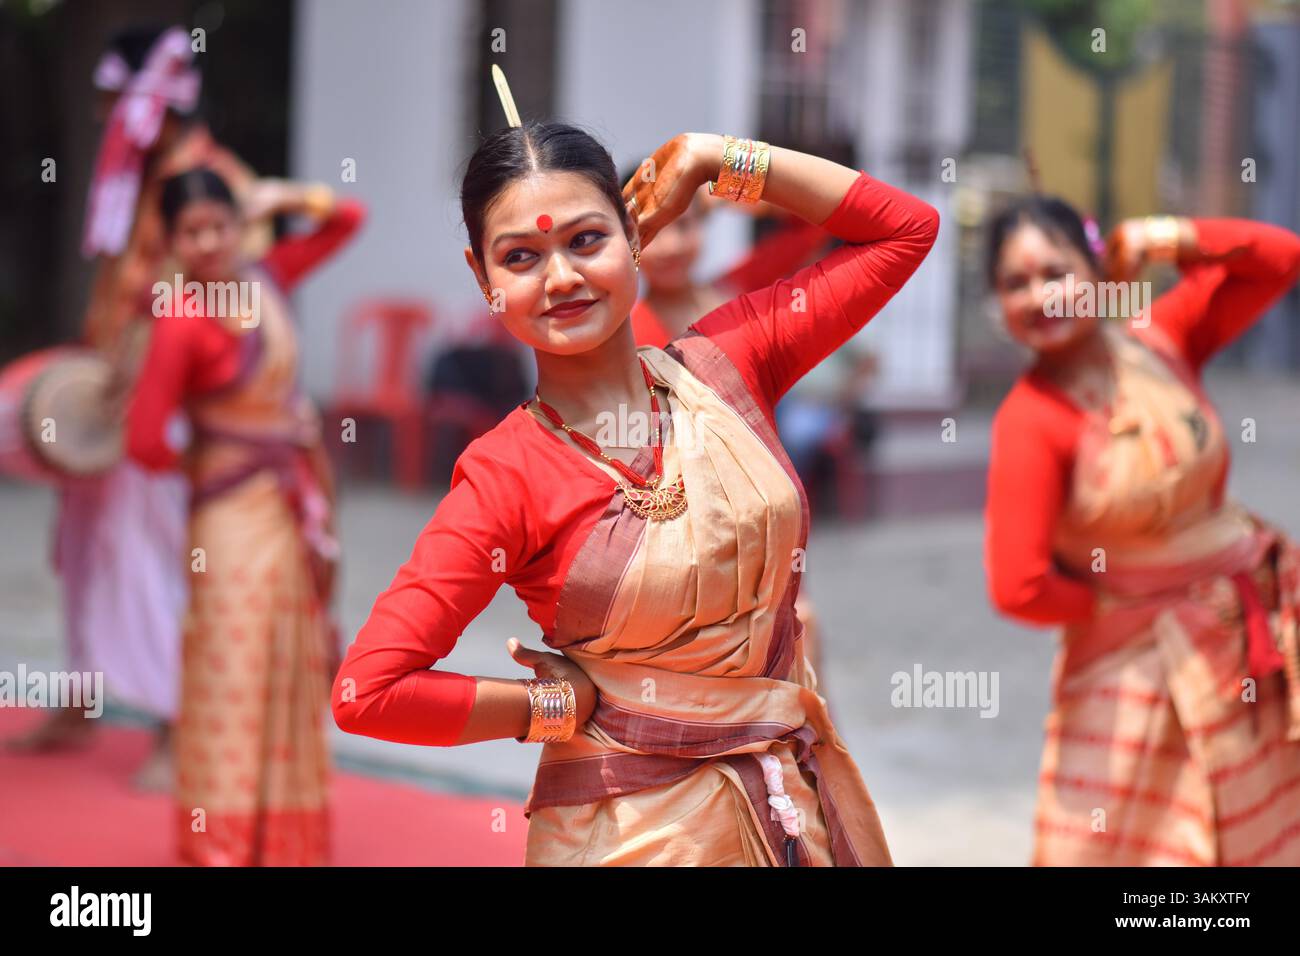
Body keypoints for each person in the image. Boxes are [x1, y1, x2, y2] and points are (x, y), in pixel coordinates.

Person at [334, 122, 939, 866]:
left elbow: (906, 230)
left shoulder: (730, 365)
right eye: (520, 257)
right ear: (482, 278)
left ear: (633, 234)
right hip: (626, 838)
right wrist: (550, 709)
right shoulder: (505, 476)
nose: (560, 278)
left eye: (586, 241)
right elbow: (367, 690)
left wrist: (718, 158)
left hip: (786, 811)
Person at [984, 197, 1300, 865]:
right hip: (1128, 670)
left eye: (1056, 271)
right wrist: (1117, 603)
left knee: (1252, 834)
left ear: (1100, 271)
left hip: (1244, 641)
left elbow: (1280, 259)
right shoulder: (1030, 420)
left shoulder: (1163, 340)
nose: (1040, 296)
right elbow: (1018, 587)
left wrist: (1168, 236)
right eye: (1016, 283)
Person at [9, 27, 266, 795]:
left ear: (146, 100)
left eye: (107, 100)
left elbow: (240, 308)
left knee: (154, 561)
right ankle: (82, 701)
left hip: (174, 410)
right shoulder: (138, 176)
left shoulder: (219, 184)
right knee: (84, 554)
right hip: (115, 397)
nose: (97, 115)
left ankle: (174, 721)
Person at [127, 169, 365, 866]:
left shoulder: (268, 278)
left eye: (218, 225)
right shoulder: (179, 321)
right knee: (232, 668)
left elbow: (349, 217)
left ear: (238, 225)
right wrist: (214, 460)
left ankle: (280, 838)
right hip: (229, 517)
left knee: (288, 658)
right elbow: (143, 441)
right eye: (190, 232)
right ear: (171, 241)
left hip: (287, 504)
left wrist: (286, 196)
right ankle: (222, 844)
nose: (206, 242)